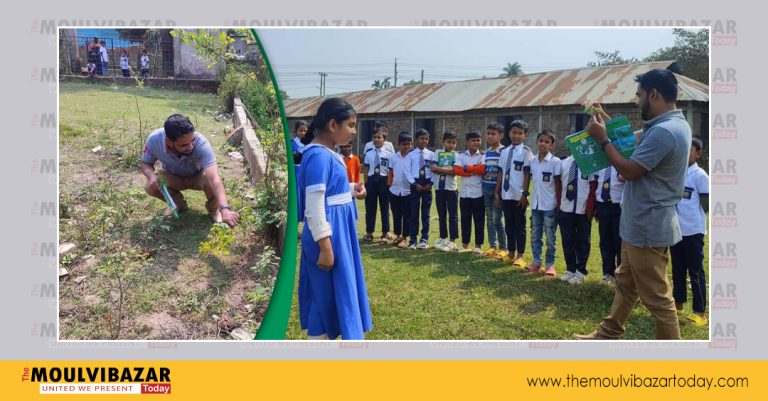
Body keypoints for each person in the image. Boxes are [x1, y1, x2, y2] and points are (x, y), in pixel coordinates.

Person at [576, 68, 691, 340]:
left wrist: (601, 139)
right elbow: (627, 140)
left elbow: (628, 170)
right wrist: (602, 116)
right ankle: (608, 333)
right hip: (639, 223)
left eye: (639, 96)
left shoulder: (666, 132)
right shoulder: (668, 125)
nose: (636, 101)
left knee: (658, 299)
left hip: (648, 227)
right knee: (626, 283)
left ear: (654, 94)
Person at [296, 97, 371, 340]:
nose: (353, 131)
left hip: (339, 234)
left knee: (335, 291)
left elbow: (330, 191)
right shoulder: (318, 156)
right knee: (324, 297)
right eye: (350, 125)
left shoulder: (329, 153)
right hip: (328, 237)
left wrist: (351, 189)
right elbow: (315, 206)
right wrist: (326, 248)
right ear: (332, 125)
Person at [139, 114, 240, 227]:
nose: (191, 146)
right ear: (168, 142)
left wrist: (225, 208)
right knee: (149, 185)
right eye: (184, 145)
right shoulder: (154, 140)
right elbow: (145, 163)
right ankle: (177, 202)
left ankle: (214, 209)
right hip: (173, 177)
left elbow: (214, 178)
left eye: (192, 141)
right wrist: (151, 176)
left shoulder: (202, 143)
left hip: (199, 177)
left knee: (210, 177)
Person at [671, 137, 709, 326]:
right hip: (676, 230)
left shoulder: (700, 176)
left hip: (693, 231)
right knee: (677, 268)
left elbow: (707, 205)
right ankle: (677, 303)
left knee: (695, 271)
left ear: (699, 153)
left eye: (690, 150)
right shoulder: (677, 172)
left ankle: (700, 312)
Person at [495, 120, 532, 267]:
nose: (516, 136)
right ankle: (511, 253)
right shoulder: (504, 152)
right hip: (505, 194)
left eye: (520, 133)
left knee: (519, 225)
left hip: (518, 195)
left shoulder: (526, 152)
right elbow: (501, 173)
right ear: (509, 133)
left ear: (525, 135)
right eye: (514, 133)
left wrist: (525, 194)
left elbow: (527, 174)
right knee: (509, 224)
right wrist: (497, 193)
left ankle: (521, 255)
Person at [558, 155, 597, 284]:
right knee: (567, 240)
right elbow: (558, 184)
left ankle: (580, 271)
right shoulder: (563, 163)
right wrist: (559, 205)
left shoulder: (589, 163)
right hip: (565, 208)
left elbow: (592, 187)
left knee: (583, 241)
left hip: (583, 209)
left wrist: (590, 208)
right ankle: (570, 270)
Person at [528, 130, 561, 276]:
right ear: (536, 142)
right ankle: (536, 262)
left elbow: (558, 184)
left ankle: (550, 265)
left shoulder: (555, 162)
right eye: (541, 141)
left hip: (550, 206)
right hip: (535, 205)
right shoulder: (532, 161)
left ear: (552, 145)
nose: (543, 144)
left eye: (547, 142)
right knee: (535, 235)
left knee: (550, 237)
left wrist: (559, 204)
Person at [453, 131, 486, 255]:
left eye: (478, 140)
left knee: (479, 221)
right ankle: (465, 244)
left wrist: (466, 168)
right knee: (465, 220)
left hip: (478, 193)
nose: (476, 143)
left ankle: (478, 246)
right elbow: (457, 170)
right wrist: (472, 170)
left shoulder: (482, 155)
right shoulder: (461, 155)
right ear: (467, 142)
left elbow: (482, 169)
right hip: (465, 194)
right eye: (473, 140)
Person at [594, 165, 625, 286]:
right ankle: (608, 274)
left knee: (619, 242)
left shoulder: (622, 162)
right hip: (602, 205)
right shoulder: (600, 164)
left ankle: (620, 275)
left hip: (619, 206)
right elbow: (596, 184)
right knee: (605, 242)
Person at [406, 128, 436, 249]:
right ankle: (413, 239)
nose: (424, 141)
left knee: (426, 213)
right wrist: (414, 184)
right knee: (414, 212)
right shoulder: (411, 154)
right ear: (416, 140)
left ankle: (424, 239)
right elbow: (406, 171)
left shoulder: (431, 154)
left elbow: (434, 170)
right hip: (415, 184)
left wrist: (431, 183)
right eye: (421, 138)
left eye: (426, 139)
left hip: (427, 184)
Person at [362, 130, 393, 244]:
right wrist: (366, 183)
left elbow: (390, 170)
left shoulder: (389, 153)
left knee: (384, 208)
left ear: (384, 139)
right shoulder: (369, 153)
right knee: (370, 208)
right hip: (371, 181)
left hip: (383, 181)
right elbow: (366, 169)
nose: (376, 139)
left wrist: (389, 182)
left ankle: (385, 232)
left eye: (379, 137)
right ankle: (369, 232)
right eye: (374, 137)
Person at [481, 123, 507, 259]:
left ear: (501, 136)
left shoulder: (504, 151)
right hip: (486, 189)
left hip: (498, 192)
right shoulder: (486, 152)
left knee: (498, 220)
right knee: (489, 219)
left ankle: (503, 247)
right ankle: (493, 246)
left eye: (493, 134)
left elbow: (503, 172)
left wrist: (499, 192)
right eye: (488, 133)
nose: (490, 136)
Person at [431, 132, 459, 252]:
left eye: (453, 142)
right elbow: (433, 168)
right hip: (439, 188)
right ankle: (443, 237)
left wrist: (440, 169)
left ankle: (452, 240)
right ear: (443, 142)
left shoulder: (456, 155)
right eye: (449, 142)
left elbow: (455, 171)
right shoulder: (437, 153)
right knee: (441, 214)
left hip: (451, 189)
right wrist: (447, 169)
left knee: (452, 215)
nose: (451, 145)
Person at [388, 132, 413, 248]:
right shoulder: (393, 157)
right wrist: (389, 184)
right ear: (399, 144)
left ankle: (405, 237)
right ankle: (398, 235)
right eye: (404, 144)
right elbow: (390, 172)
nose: (406, 146)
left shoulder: (413, 157)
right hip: (394, 190)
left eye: (408, 144)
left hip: (408, 191)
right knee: (396, 214)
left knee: (407, 215)